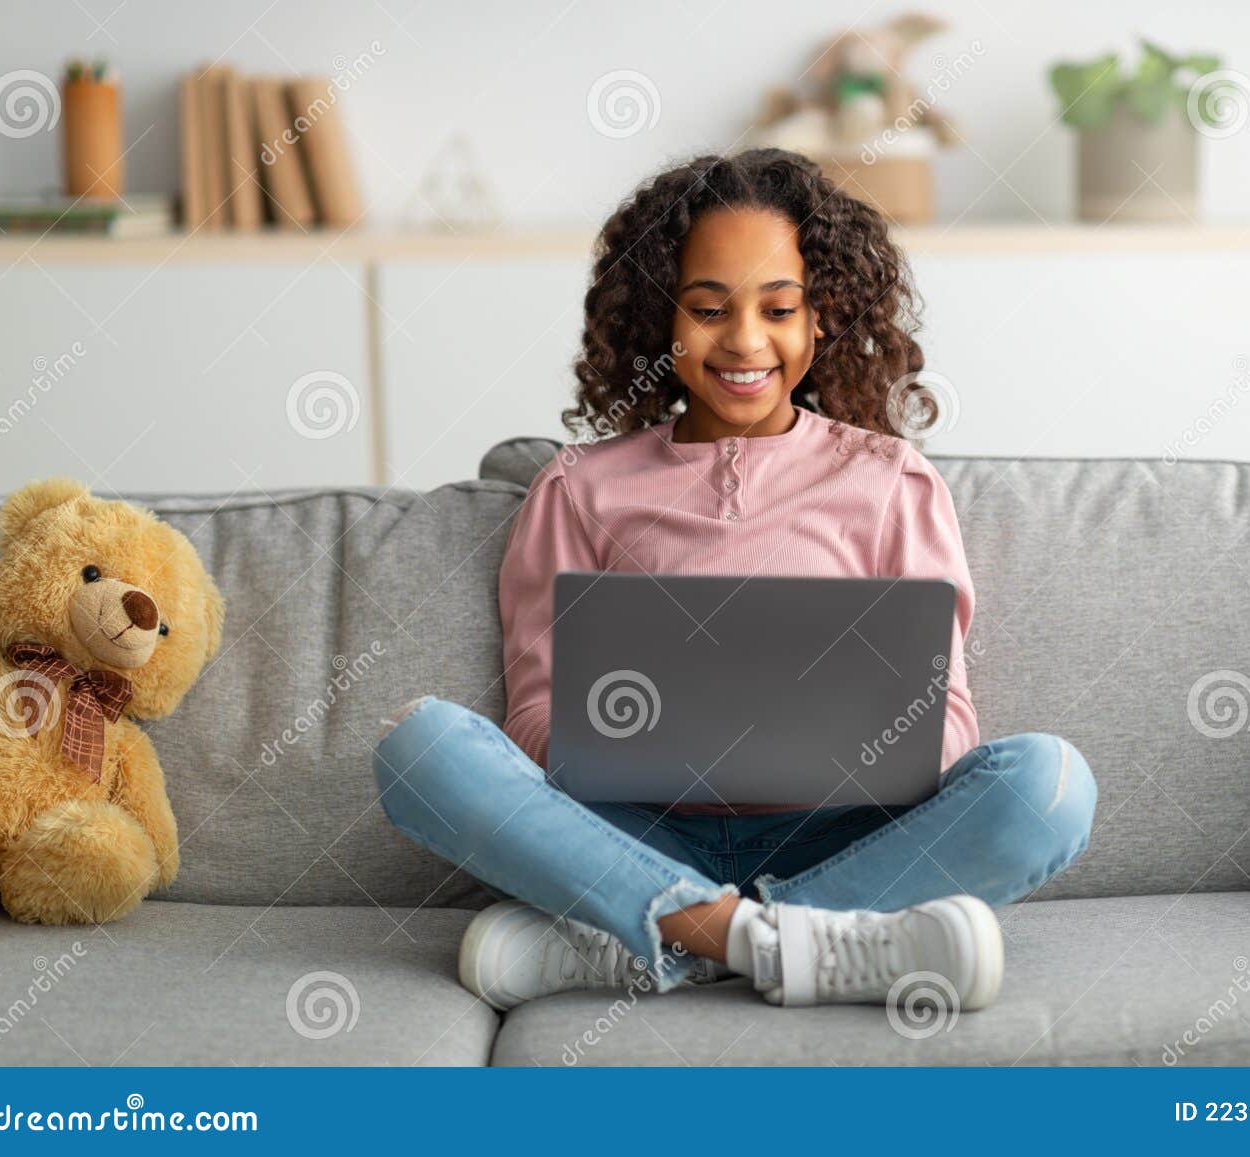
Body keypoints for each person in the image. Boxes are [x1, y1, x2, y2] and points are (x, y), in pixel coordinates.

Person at [373, 148, 1096, 1013]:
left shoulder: (892, 482)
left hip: (841, 834)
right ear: (660, 321)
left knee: (1049, 784)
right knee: (421, 751)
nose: (746, 341)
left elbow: (947, 724)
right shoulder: (578, 487)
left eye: (779, 308)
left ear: (821, 318)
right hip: (635, 829)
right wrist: (640, 735)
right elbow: (532, 719)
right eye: (709, 309)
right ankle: (780, 943)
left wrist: (830, 732)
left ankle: (661, 942)